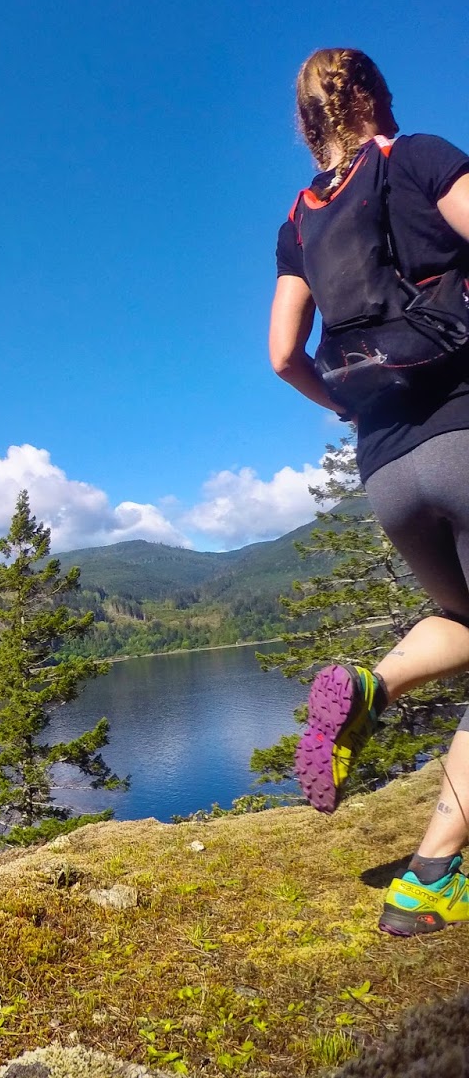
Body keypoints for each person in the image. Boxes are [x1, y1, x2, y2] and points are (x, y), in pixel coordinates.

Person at [269, 47, 469, 936]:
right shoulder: (418, 155)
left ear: (309, 122)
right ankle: (429, 876)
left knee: (464, 619)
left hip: (387, 465)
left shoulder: (300, 224)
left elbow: (281, 356)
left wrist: (348, 405)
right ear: (377, 99)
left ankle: (369, 685)